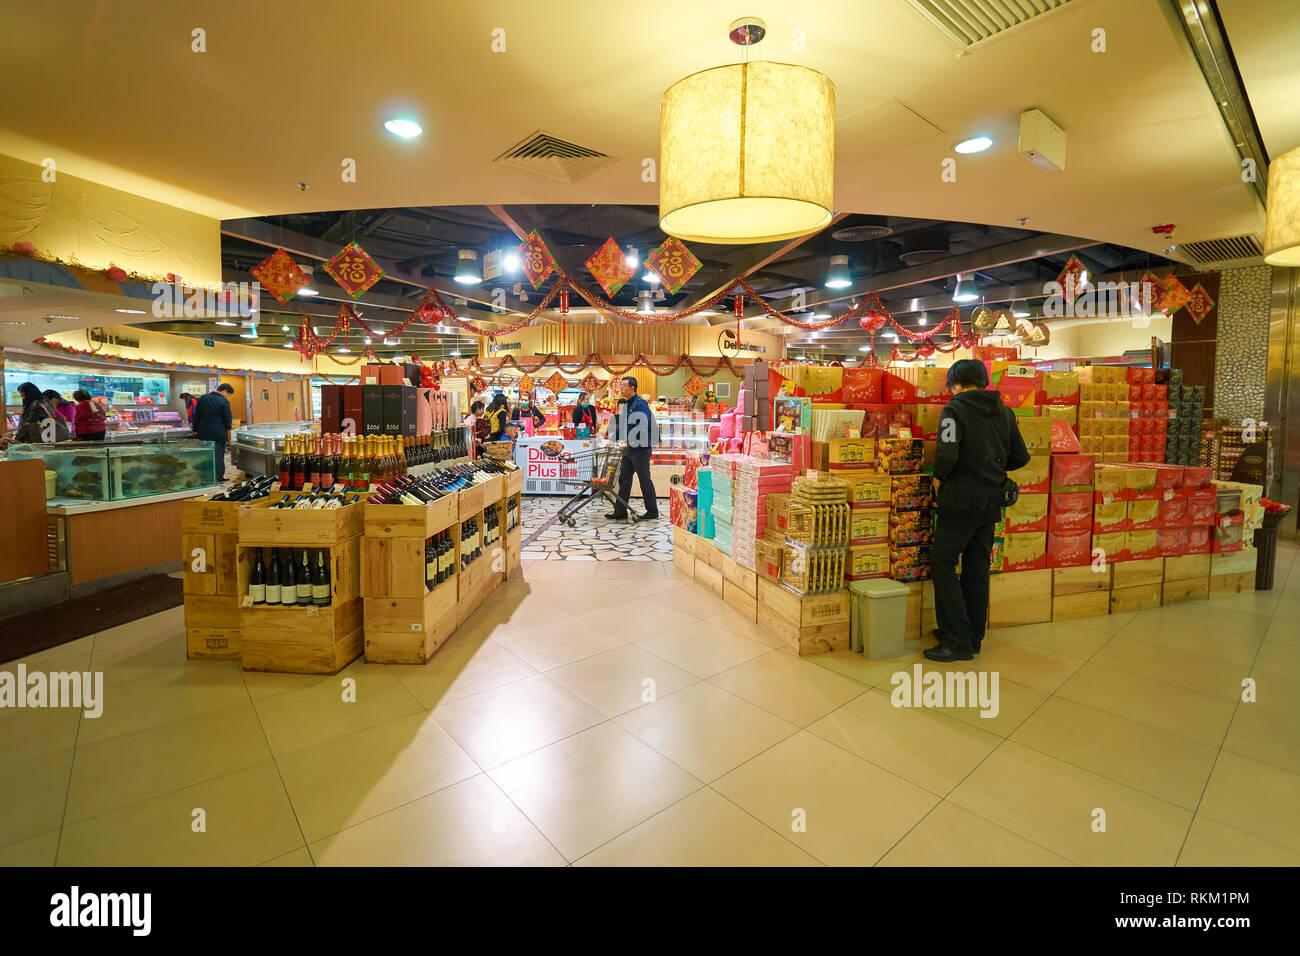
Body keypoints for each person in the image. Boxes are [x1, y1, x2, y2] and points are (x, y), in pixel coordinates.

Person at [926, 359, 1029, 662]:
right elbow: (1020, 456)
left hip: (960, 500)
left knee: (943, 564)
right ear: (983, 381)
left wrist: (939, 476)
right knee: (977, 567)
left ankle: (955, 639)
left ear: (956, 384)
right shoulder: (1005, 412)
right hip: (991, 500)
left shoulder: (954, 409)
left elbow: (947, 451)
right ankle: (972, 637)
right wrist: (991, 469)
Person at [605, 375, 659, 520]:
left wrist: (630, 442)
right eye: (621, 386)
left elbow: (643, 425)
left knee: (644, 480)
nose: (621, 389)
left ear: (632, 388)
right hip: (629, 450)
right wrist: (612, 440)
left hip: (640, 449)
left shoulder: (640, 404)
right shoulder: (627, 404)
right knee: (624, 479)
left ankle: (652, 511)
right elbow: (624, 426)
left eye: (624, 386)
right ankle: (620, 511)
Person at [1, 381, 71, 446]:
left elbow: (29, 423)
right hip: (46, 438)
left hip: (37, 438)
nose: (23, 397)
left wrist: (17, 437)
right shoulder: (43, 402)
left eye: (23, 395)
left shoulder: (36, 405)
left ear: (29, 393)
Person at [192, 383, 234, 482]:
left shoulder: (203, 398)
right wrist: (228, 427)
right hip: (218, 434)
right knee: (218, 456)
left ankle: (206, 476)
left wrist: (195, 429)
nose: (227, 396)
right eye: (228, 394)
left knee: (206, 455)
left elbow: (197, 415)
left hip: (203, 433)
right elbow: (227, 418)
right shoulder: (224, 401)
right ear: (224, 391)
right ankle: (218, 477)